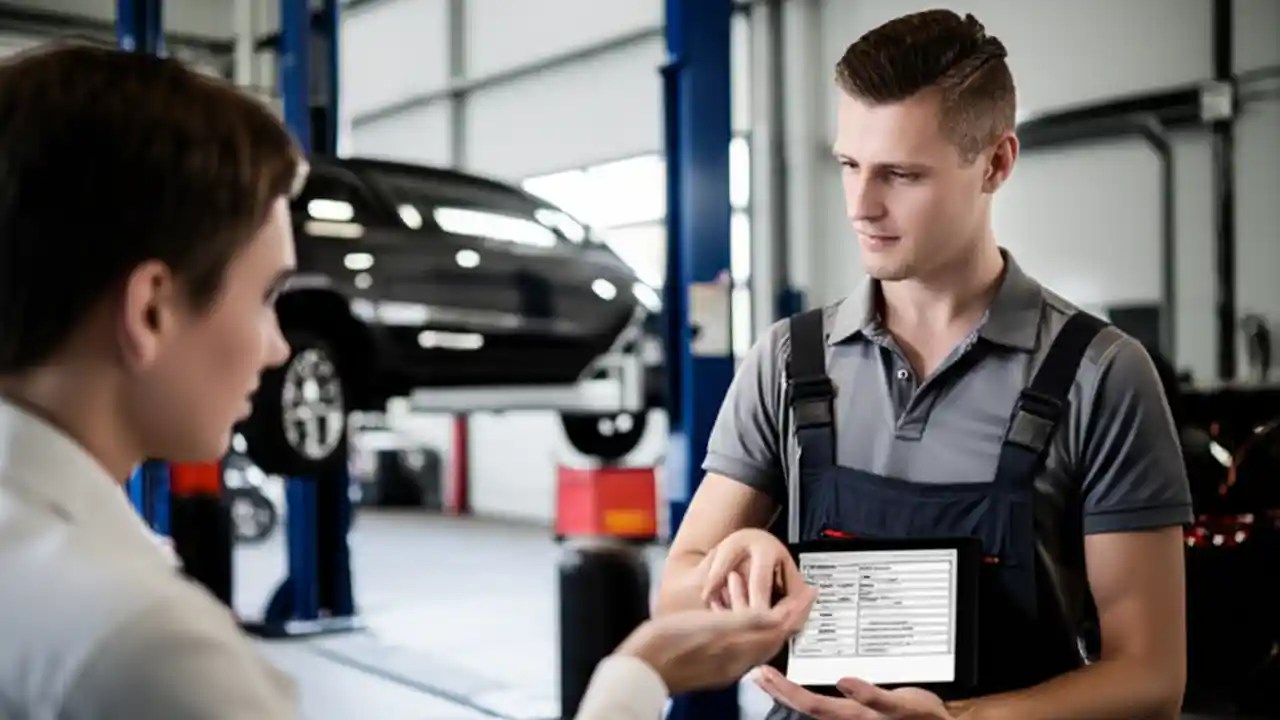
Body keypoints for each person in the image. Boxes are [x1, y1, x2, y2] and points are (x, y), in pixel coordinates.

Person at [0, 43, 816, 719]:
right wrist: (636, 677)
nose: (278, 348)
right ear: (149, 311)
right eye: (265, 298)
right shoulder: (142, 647)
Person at [656, 9, 1193, 720]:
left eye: (901, 175)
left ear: (996, 163)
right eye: (849, 165)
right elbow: (675, 595)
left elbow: (1151, 677)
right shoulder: (788, 363)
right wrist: (744, 558)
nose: (861, 205)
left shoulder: (1101, 376)